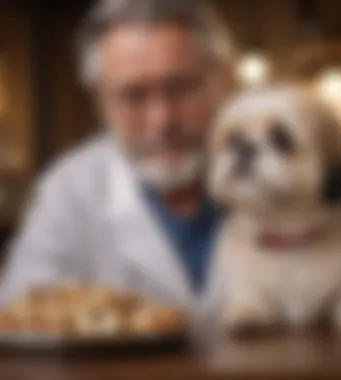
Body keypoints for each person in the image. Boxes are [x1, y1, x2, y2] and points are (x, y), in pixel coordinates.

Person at [0, 0, 233, 318]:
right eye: (133, 96)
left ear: (222, 79)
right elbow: (20, 316)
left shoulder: (300, 175)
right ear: (101, 101)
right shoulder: (68, 190)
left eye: (180, 88)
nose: (162, 120)